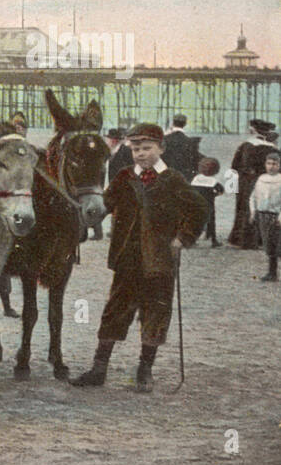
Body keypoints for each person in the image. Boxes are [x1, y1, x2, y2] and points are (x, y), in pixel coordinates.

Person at [70, 123, 207, 393]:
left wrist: (183, 238)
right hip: (127, 259)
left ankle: (144, 371)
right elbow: (104, 205)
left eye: (147, 148)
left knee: (154, 314)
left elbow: (199, 208)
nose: (141, 154)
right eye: (135, 149)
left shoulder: (173, 179)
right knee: (114, 311)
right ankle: (99, 369)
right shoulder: (123, 177)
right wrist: (86, 214)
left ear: (161, 148)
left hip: (160, 261)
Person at [228, 119, 279, 248]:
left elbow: (234, 166)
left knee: (244, 209)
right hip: (267, 183)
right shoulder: (273, 149)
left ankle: (241, 239)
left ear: (254, 130)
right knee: (264, 209)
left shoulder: (246, 145)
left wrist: (232, 188)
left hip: (246, 183)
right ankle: (262, 239)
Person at [249, 151, 281, 281]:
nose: (271, 166)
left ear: (279, 165)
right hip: (263, 215)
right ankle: (272, 272)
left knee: (279, 245)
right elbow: (253, 196)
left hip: (277, 217)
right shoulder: (261, 179)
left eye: (274, 164)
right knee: (268, 245)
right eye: (268, 163)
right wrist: (253, 211)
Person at [190, 157, 224, 248]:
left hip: (196, 205)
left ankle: (192, 240)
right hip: (208, 205)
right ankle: (213, 240)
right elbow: (221, 191)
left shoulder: (196, 178)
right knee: (211, 222)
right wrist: (214, 195)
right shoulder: (213, 181)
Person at [162, 114, 199, 180]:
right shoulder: (190, 142)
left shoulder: (164, 139)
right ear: (185, 124)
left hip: (166, 175)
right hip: (184, 176)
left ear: (173, 123)